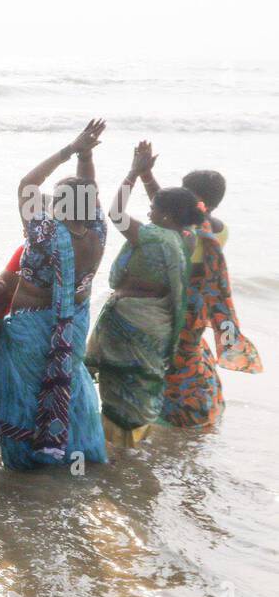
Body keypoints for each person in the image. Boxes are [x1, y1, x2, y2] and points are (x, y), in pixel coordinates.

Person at [0, 120, 109, 471]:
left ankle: (30, 461)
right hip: (71, 324)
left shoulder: (43, 232)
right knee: (67, 384)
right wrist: (86, 155)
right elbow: (90, 191)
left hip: (31, 328)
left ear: (60, 207)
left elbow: (27, 184)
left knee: (26, 392)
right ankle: (69, 453)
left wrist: (70, 149)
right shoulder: (98, 232)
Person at [136, 150, 262, 427]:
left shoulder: (187, 233)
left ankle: (179, 413)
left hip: (175, 309)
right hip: (197, 310)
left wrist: (144, 176)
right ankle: (197, 404)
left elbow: (168, 216)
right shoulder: (218, 229)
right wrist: (147, 177)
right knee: (184, 357)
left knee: (168, 360)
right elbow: (171, 213)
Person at [85, 142, 195, 445]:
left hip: (130, 324)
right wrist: (149, 177)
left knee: (117, 388)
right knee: (141, 388)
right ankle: (134, 445)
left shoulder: (150, 236)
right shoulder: (186, 239)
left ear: (168, 216)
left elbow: (115, 212)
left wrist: (134, 173)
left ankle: (115, 448)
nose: (150, 210)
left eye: (155, 208)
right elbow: (173, 210)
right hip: (156, 326)